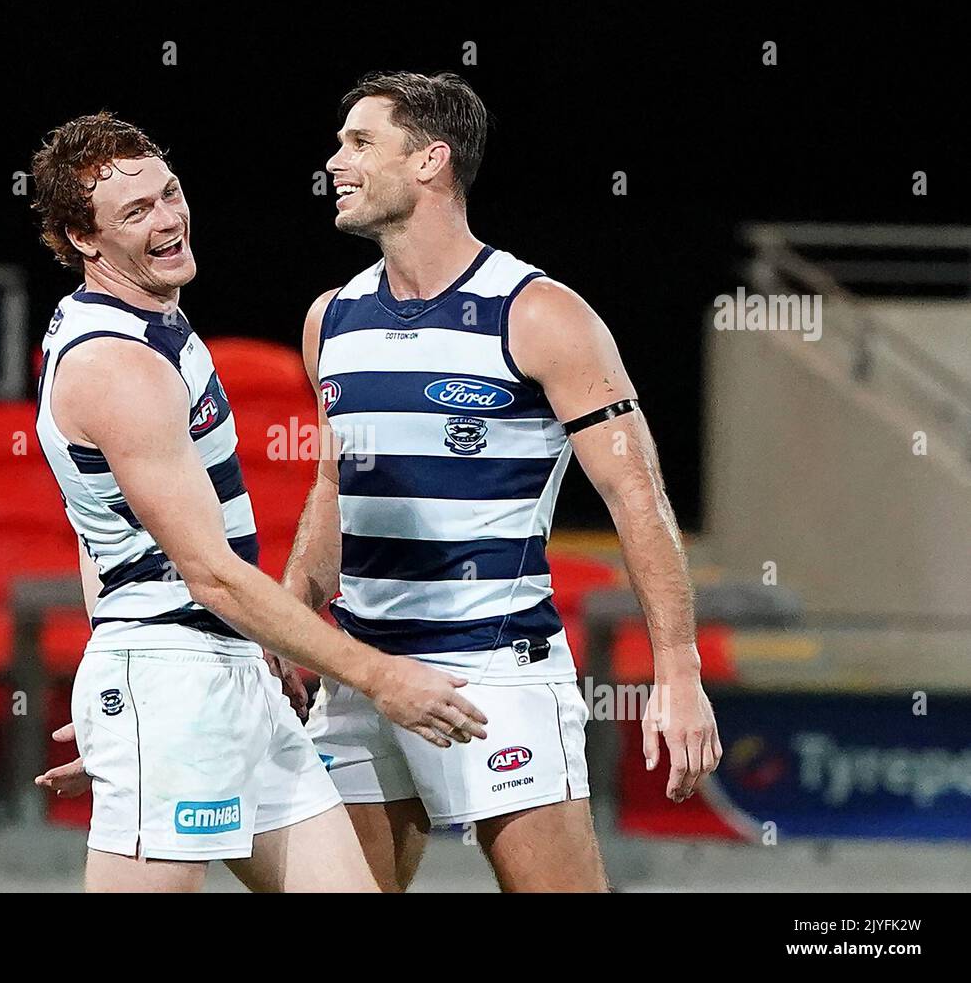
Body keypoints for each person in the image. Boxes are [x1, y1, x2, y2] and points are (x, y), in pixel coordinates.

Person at [273, 71, 722, 892]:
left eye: (359, 142)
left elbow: (637, 498)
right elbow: (335, 483)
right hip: (362, 674)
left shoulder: (540, 312)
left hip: (499, 672)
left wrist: (678, 673)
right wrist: (291, 618)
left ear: (430, 162)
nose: (335, 161)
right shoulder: (330, 319)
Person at [27, 111, 486, 893]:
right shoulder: (117, 366)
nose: (169, 218)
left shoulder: (150, 319)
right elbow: (209, 574)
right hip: (176, 684)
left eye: (169, 193)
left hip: (215, 677)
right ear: (82, 240)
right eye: (135, 213)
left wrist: (122, 687)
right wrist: (379, 677)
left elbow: (97, 532)